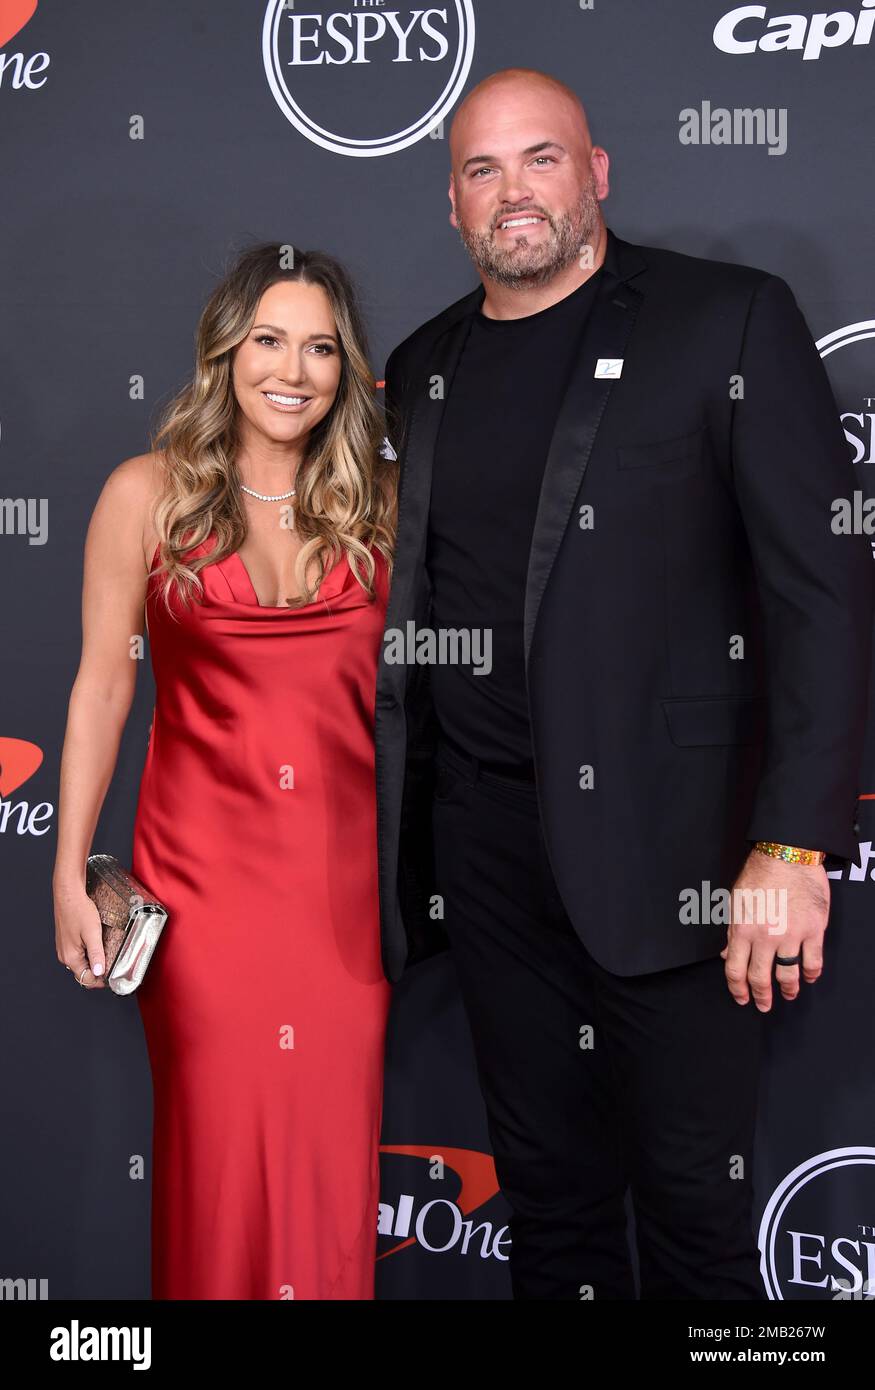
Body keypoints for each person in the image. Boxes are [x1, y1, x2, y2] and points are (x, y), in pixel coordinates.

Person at [375, 68, 875, 1299]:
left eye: (540, 159)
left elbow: (824, 595)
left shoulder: (728, 320)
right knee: (548, 1211)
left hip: (681, 855)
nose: (513, 194)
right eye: (481, 170)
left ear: (595, 173)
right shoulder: (420, 362)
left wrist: (793, 847)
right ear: (449, 203)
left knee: (697, 1225)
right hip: (489, 856)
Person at [52, 243, 396, 1299]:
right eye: (268, 340)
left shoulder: (387, 500)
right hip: (201, 898)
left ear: (347, 369)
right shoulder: (145, 495)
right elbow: (104, 687)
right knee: (217, 1174)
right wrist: (67, 868)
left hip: (343, 899)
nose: (292, 369)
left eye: (320, 347)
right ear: (223, 351)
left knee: (328, 1180)